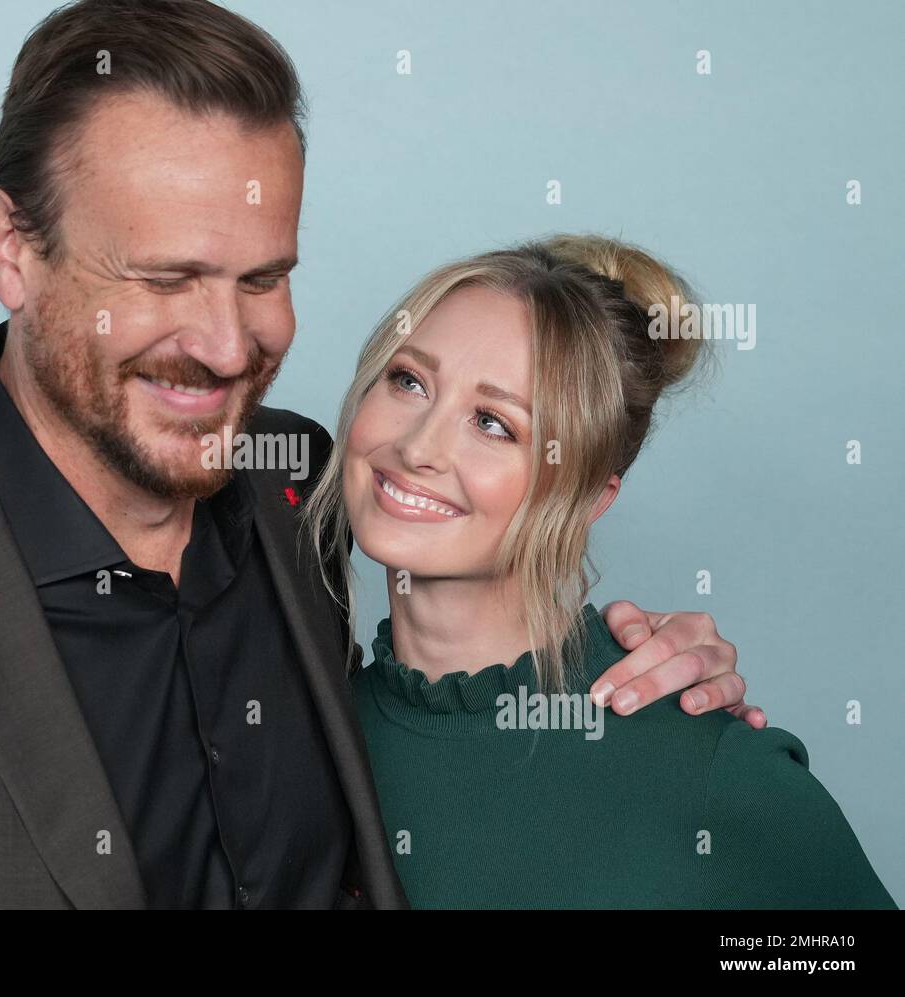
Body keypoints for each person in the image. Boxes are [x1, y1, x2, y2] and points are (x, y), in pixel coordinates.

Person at [0, 1, 757, 910]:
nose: (227, 346)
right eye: (165, 280)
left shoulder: (293, 483)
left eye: (263, 277)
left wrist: (653, 685)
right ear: (12, 252)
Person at [303, 234, 897, 908]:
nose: (416, 446)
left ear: (590, 497)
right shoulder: (305, 738)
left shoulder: (709, 765)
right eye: (409, 380)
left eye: (494, 422)